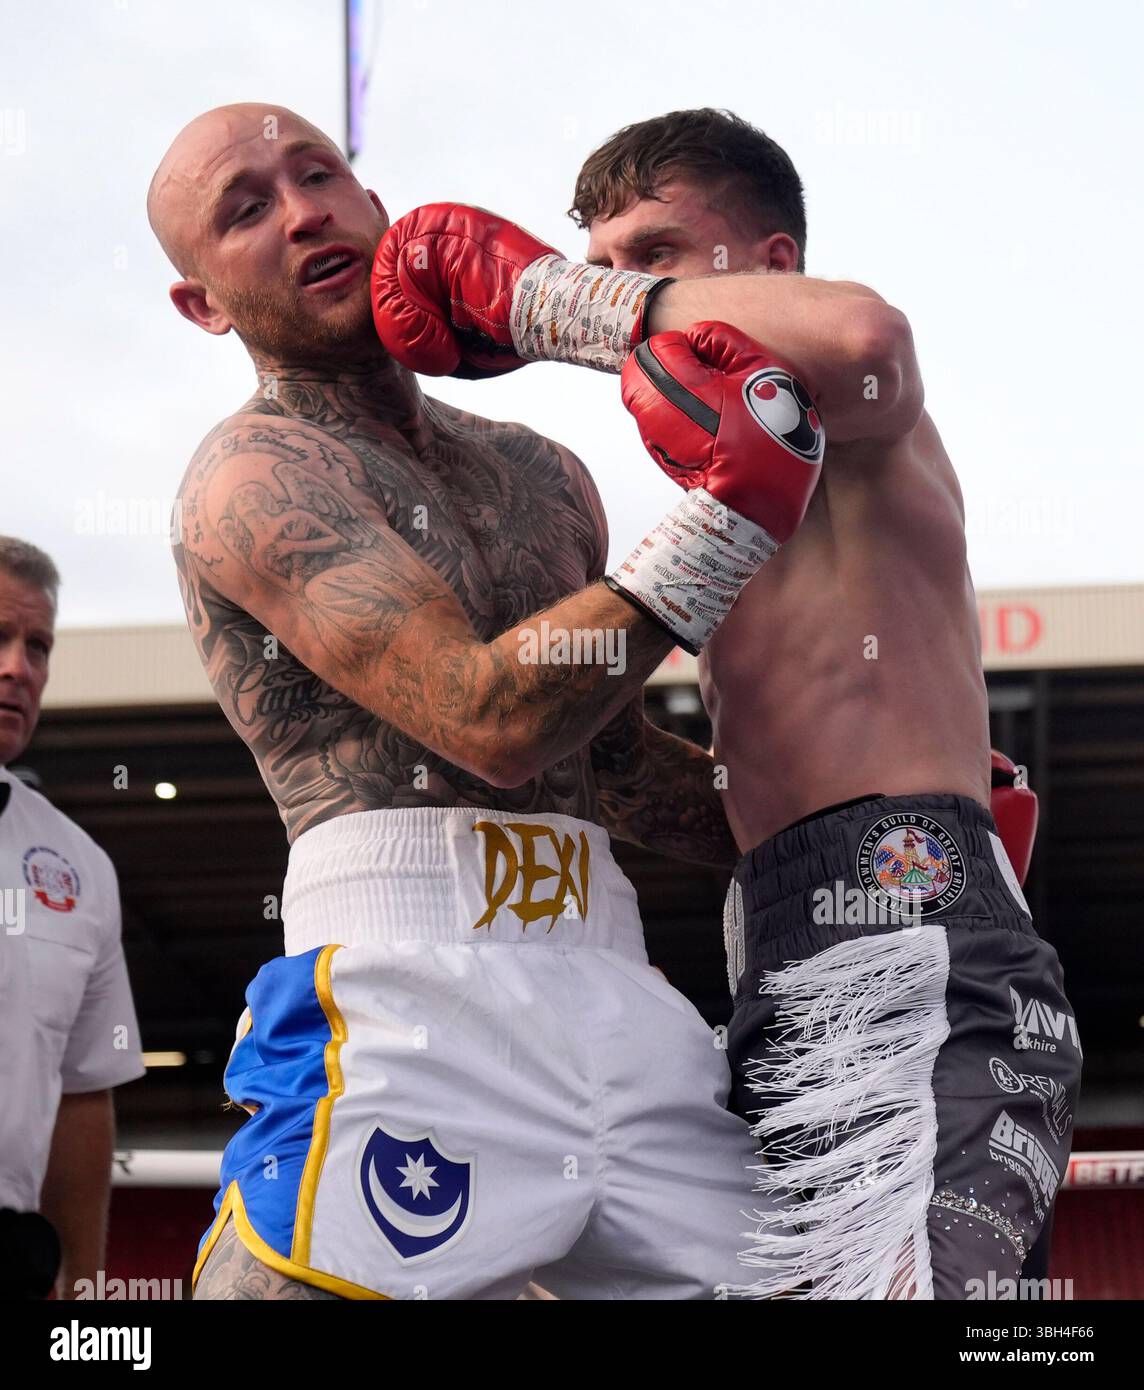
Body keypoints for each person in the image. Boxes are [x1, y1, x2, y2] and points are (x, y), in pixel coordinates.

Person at [371, 108, 1079, 1300]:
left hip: (909, 923)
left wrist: (542, 299)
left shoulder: (848, 407)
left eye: (651, 253)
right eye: (595, 265)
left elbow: (867, 336)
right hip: (786, 948)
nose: (611, 291)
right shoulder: (731, 494)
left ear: (771, 261)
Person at [148, 103, 821, 1300]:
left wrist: (859, 825)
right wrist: (726, 520)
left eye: (317, 176)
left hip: (611, 979)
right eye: (246, 210)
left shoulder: (542, 473)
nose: (300, 213)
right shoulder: (250, 476)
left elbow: (607, 764)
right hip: (403, 985)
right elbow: (488, 719)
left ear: (374, 205)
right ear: (201, 304)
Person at [0, 536, 145, 1298]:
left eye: (38, 646)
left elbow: (84, 1092)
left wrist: (83, 1298)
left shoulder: (79, 866)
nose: (17, 668)